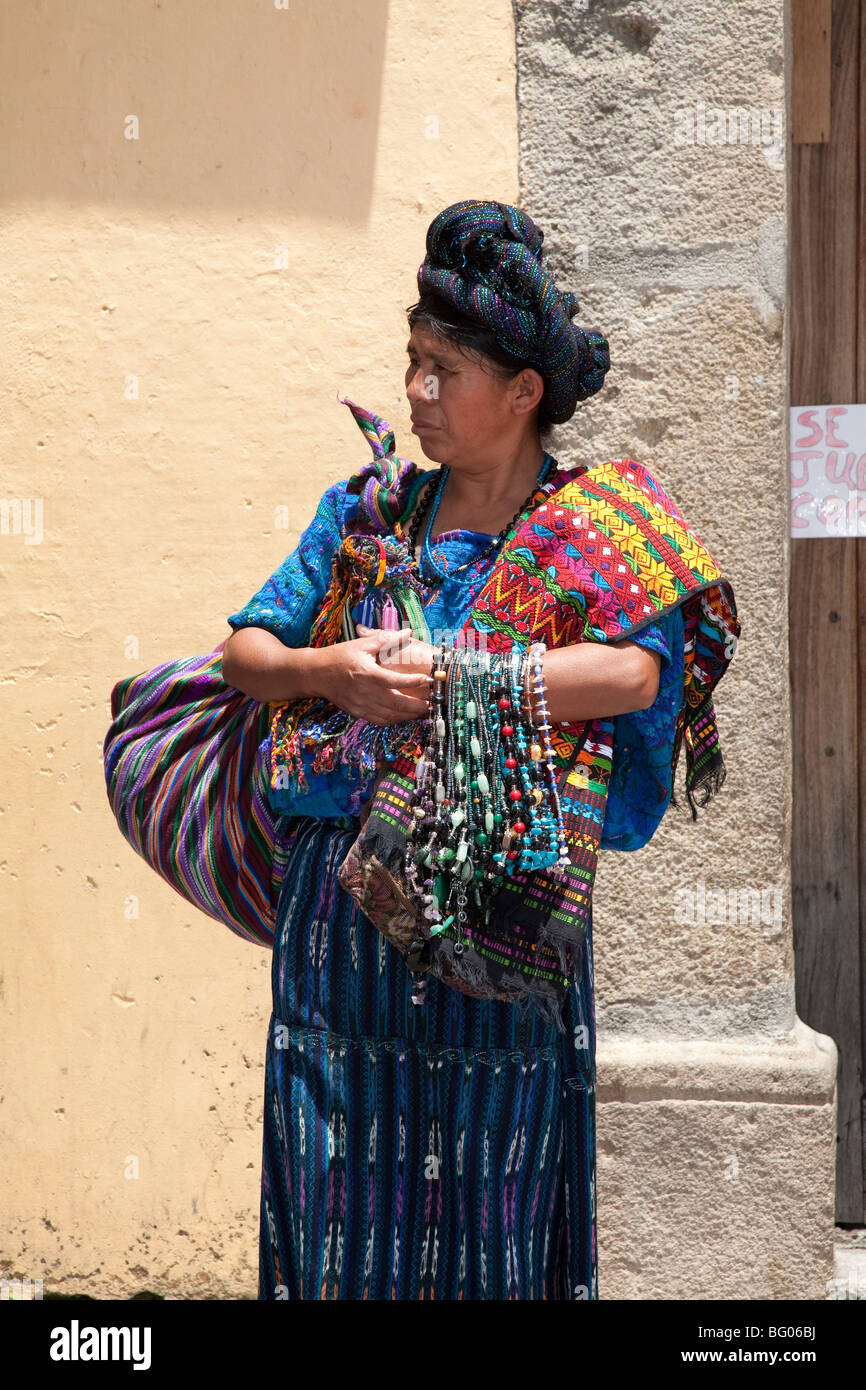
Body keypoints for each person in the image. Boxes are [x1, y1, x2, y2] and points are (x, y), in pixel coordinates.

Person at [221, 200, 695, 1300]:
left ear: (523, 392)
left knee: (496, 1195)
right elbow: (247, 649)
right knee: (337, 1194)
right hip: (342, 925)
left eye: (445, 369)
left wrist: (452, 679)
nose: (418, 392)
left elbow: (632, 673)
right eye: (412, 363)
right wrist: (330, 670)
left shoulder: (596, 530)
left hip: (502, 924)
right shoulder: (368, 512)